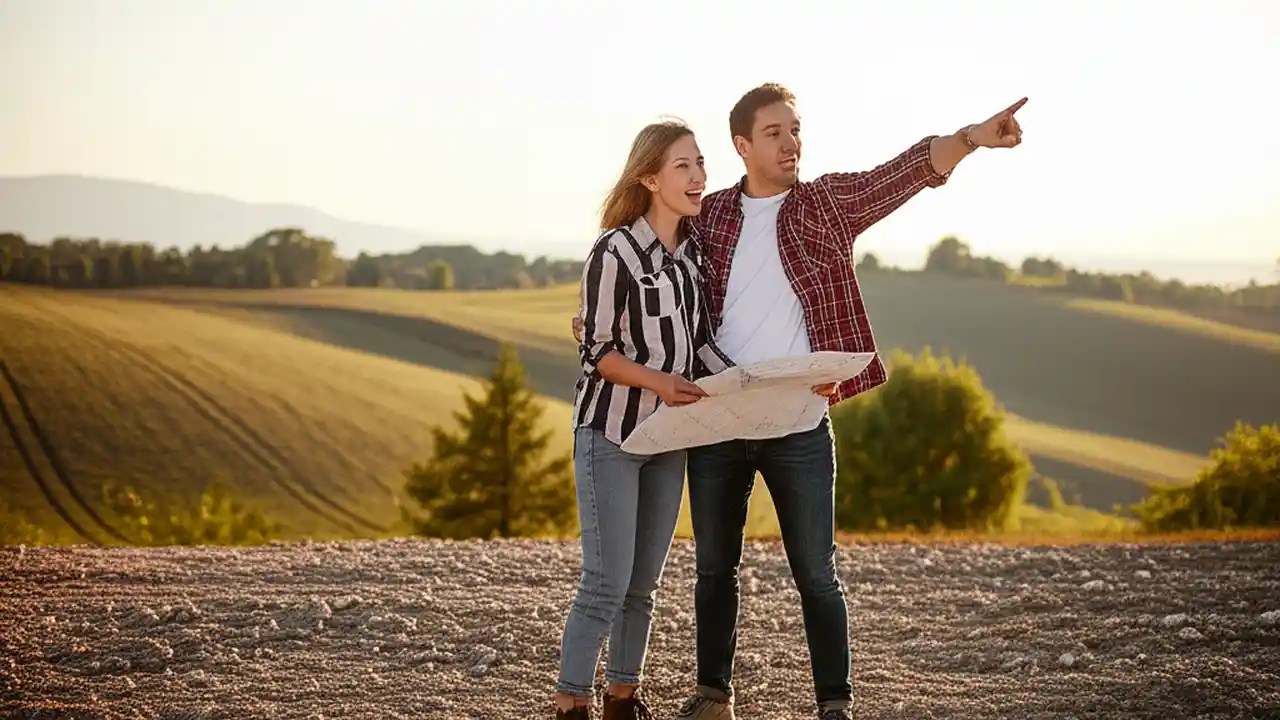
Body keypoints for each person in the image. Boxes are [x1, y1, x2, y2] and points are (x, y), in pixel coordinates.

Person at [573, 84, 1027, 720]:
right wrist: (595, 327)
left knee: (817, 572)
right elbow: (650, 262)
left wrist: (971, 138)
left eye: (796, 130)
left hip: (800, 422)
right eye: (775, 132)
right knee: (714, 571)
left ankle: (834, 705)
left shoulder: (826, 205)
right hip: (719, 417)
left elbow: (904, 173)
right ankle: (713, 697)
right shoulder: (713, 215)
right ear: (742, 146)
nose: (791, 143)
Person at [553, 119, 736, 720]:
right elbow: (595, 351)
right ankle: (571, 704)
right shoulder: (615, 251)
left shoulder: (691, 259)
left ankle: (623, 699)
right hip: (611, 433)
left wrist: (757, 383)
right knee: (605, 581)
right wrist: (661, 382)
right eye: (683, 165)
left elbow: (702, 345)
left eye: (701, 163)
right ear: (650, 178)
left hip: (670, 437)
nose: (698, 176)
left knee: (643, 586)